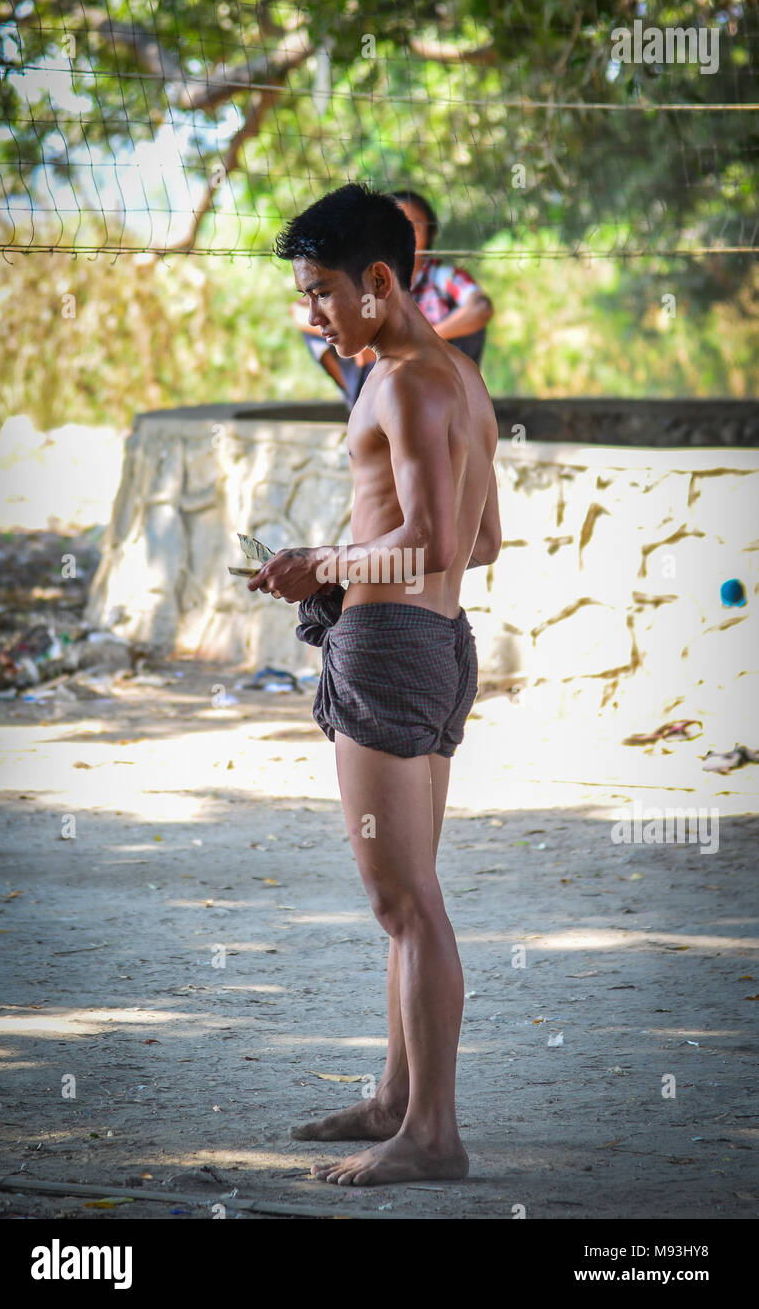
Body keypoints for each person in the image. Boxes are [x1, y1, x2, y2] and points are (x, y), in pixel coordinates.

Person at [248, 182, 501, 1187]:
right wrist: (350, 562)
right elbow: (480, 542)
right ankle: (398, 1098)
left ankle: (431, 1136)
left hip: (390, 652)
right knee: (413, 896)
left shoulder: (399, 382)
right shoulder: (463, 381)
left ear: (379, 281)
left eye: (319, 294)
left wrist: (324, 561)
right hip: (439, 649)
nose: (311, 315)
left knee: (405, 906)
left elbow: (432, 540)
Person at [289, 188, 494, 408]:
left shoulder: (442, 275)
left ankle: (443, 400)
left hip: (433, 365)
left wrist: (423, 340)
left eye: (414, 225)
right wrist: (363, 343)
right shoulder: (359, 275)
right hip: (378, 364)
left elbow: (480, 307)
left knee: (470, 326)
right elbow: (299, 312)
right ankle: (359, 404)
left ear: (429, 233)